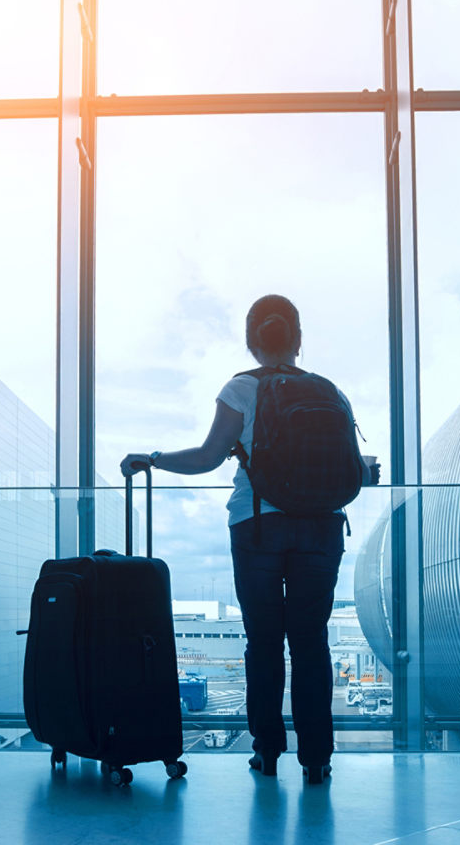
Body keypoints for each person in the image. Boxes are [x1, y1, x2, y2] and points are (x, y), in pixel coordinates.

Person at [121, 294, 351, 786]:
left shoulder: (241, 388)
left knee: (263, 644)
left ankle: (267, 752)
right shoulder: (331, 392)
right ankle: (318, 760)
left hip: (258, 527)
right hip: (321, 529)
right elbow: (351, 471)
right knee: (311, 643)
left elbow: (208, 456)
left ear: (251, 341)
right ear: (298, 338)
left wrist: (154, 457)